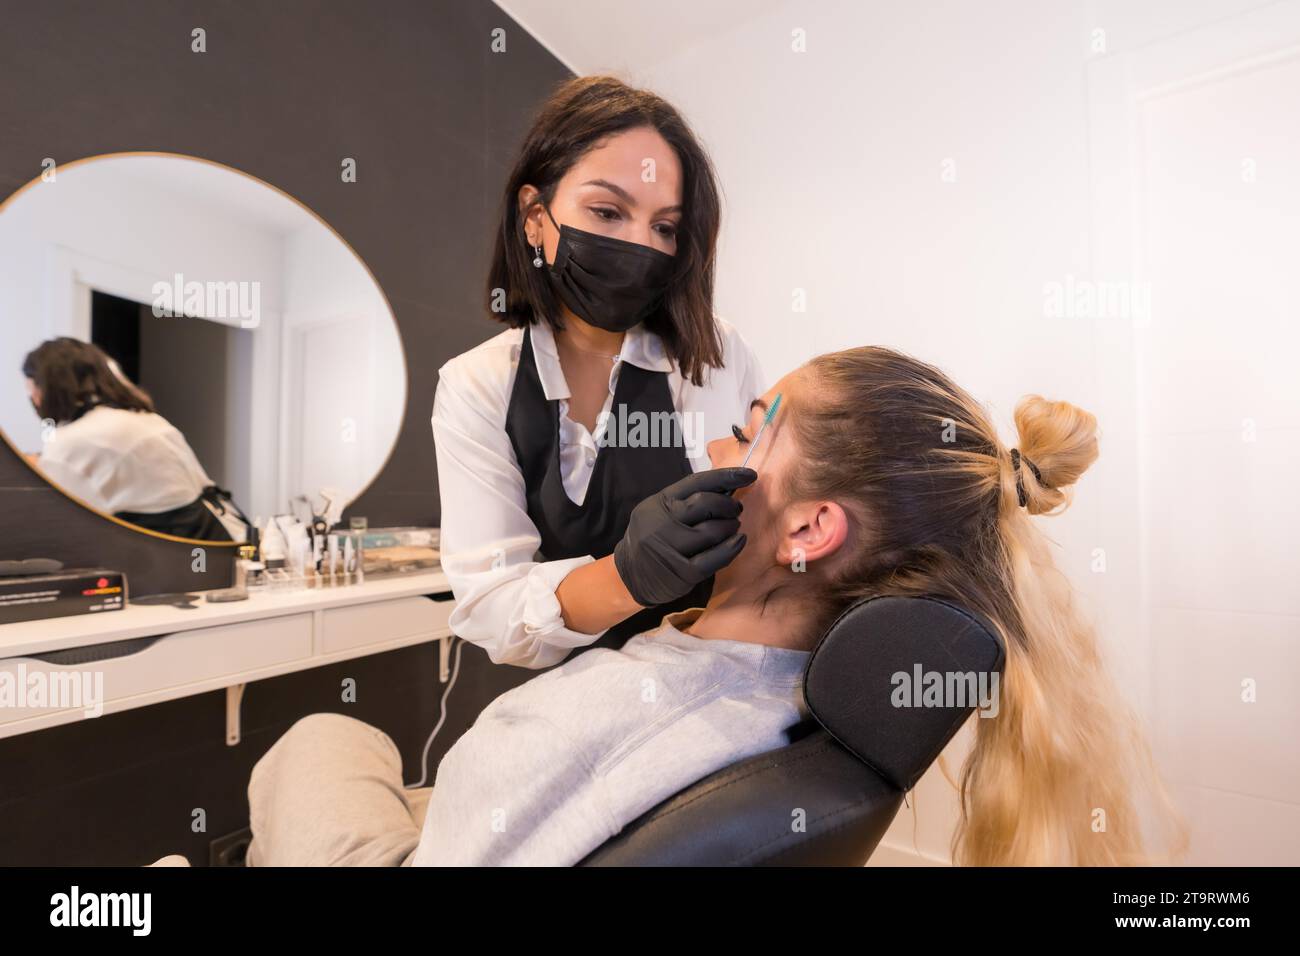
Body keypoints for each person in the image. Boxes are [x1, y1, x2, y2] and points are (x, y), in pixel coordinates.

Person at [246, 345, 1188, 867]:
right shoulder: (777, 696)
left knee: (318, 737)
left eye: (743, 433)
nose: (712, 451)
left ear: (809, 532)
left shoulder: (631, 721)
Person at [433, 75, 765, 672]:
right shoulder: (477, 387)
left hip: (705, 680)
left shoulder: (715, 354)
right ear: (535, 217)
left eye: (665, 227)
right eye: (608, 212)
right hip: (564, 705)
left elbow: (757, 523)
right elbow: (497, 614)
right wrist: (626, 576)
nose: (641, 244)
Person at [21, 337, 248, 542]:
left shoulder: (69, 441)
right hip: (214, 541)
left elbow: (57, 522)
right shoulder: (145, 419)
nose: (33, 398)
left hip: (164, 559)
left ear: (45, 387)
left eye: (32, 389)